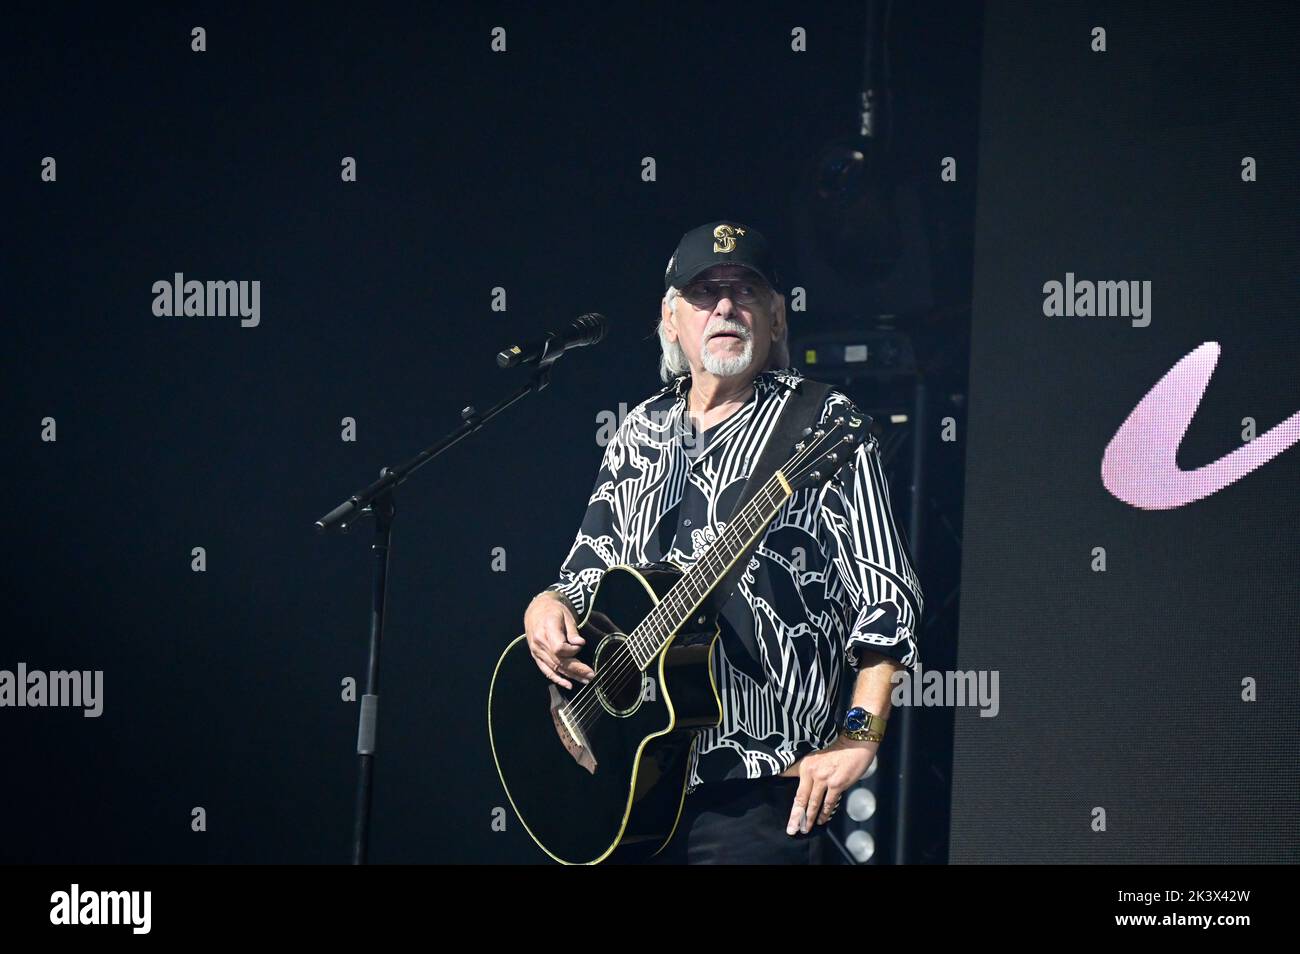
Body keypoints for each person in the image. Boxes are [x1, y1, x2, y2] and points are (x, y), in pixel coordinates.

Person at [522, 220, 923, 864]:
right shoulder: (639, 431)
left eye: (745, 290)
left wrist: (858, 738)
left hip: (758, 790)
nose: (726, 306)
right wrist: (545, 606)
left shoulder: (821, 421)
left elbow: (888, 606)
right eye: (706, 292)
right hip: (626, 784)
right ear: (671, 316)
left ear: (776, 317)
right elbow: (581, 576)